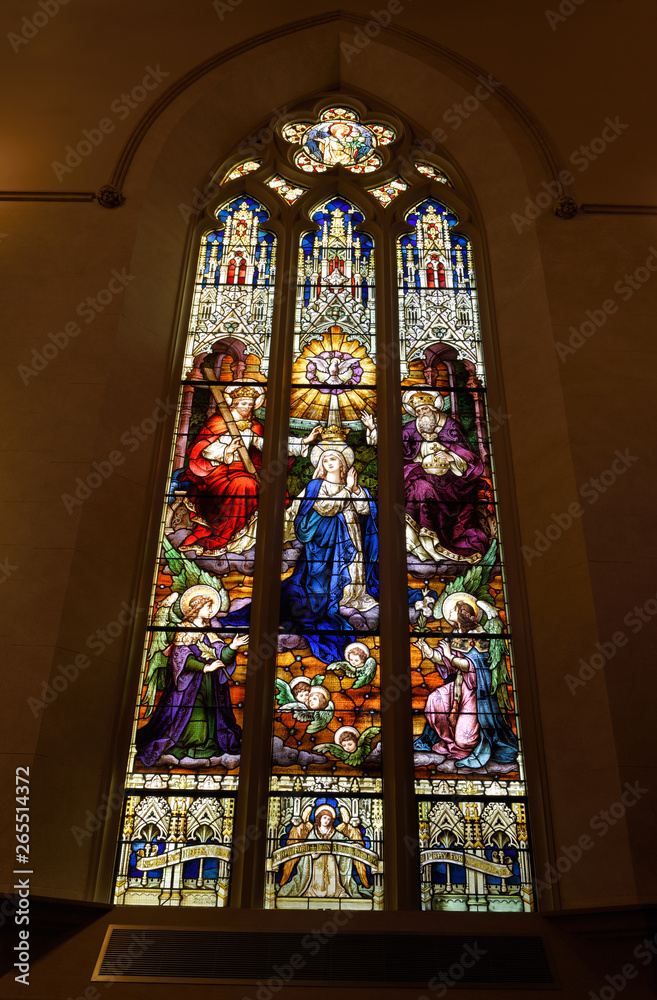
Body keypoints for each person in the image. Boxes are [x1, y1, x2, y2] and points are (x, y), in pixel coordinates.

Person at [179, 384, 320, 555]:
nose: (248, 408)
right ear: (234, 403)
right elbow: (203, 449)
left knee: (265, 486)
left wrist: (304, 441)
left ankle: (257, 539)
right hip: (216, 471)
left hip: (244, 471)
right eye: (244, 403)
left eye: (251, 404)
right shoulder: (217, 422)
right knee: (244, 485)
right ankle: (219, 538)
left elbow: (269, 445)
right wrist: (227, 451)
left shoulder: (252, 426)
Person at [362, 390, 489, 562]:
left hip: (452, 483)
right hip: (418, 476)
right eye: (418, 411)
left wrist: (452, 457)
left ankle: (436, 544)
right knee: (417, 487)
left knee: (422, 487)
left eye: (425, 409)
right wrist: (372, 429)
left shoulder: (451, 426)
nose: (421, 414)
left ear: (434, 408)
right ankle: (415, 544)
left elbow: (469, 457)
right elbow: (391, 450)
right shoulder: (410, 429)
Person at [280, 444, 379, 660]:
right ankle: (333, 598)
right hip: (325, 542)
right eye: (325, 460)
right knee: (324, 576)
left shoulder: (354, 486)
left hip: (352, 534)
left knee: (354, 566)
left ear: (343, 463)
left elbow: (366, 511)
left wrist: (355, 490)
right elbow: (324, 508)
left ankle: (351, 595)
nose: (328, 463)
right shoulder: (316, 486)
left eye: (333, 458)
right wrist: (348, 491)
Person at [135, 587, 248, 766]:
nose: (211, 611)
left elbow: (222, 656)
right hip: (189, 685)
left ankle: (210, 744)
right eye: (208, 607)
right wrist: (205, 668)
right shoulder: (183, 630)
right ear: (197, 608)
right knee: (190, 714)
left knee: (211, 716)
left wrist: (233, 646)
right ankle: (185, 744)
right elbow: (180, 657)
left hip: (211, 685)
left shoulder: (210, 633)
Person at [413, 636, 518, 770]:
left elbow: (473, 665)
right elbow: (444, 659)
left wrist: (450, 656)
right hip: (459, 687)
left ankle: (478, 744)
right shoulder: (458, 636)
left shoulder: (482, 637)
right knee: (435, 699)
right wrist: (428, 651)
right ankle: (448, 738)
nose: (458, 626)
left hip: (476, 692)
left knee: (464, 740)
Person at [277, 803, 370, 901]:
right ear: (319, 818)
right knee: (316, 880)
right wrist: (312, 856)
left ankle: (334, 892)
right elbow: (306, 850)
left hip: (331, 862)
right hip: (316, 862)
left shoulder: (334, 833)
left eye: (329, 819)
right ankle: (313, 892)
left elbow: (345, 842)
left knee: (332, 879)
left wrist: (353, 845)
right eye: (324, 817)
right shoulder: (313, 833)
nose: (326, 820)